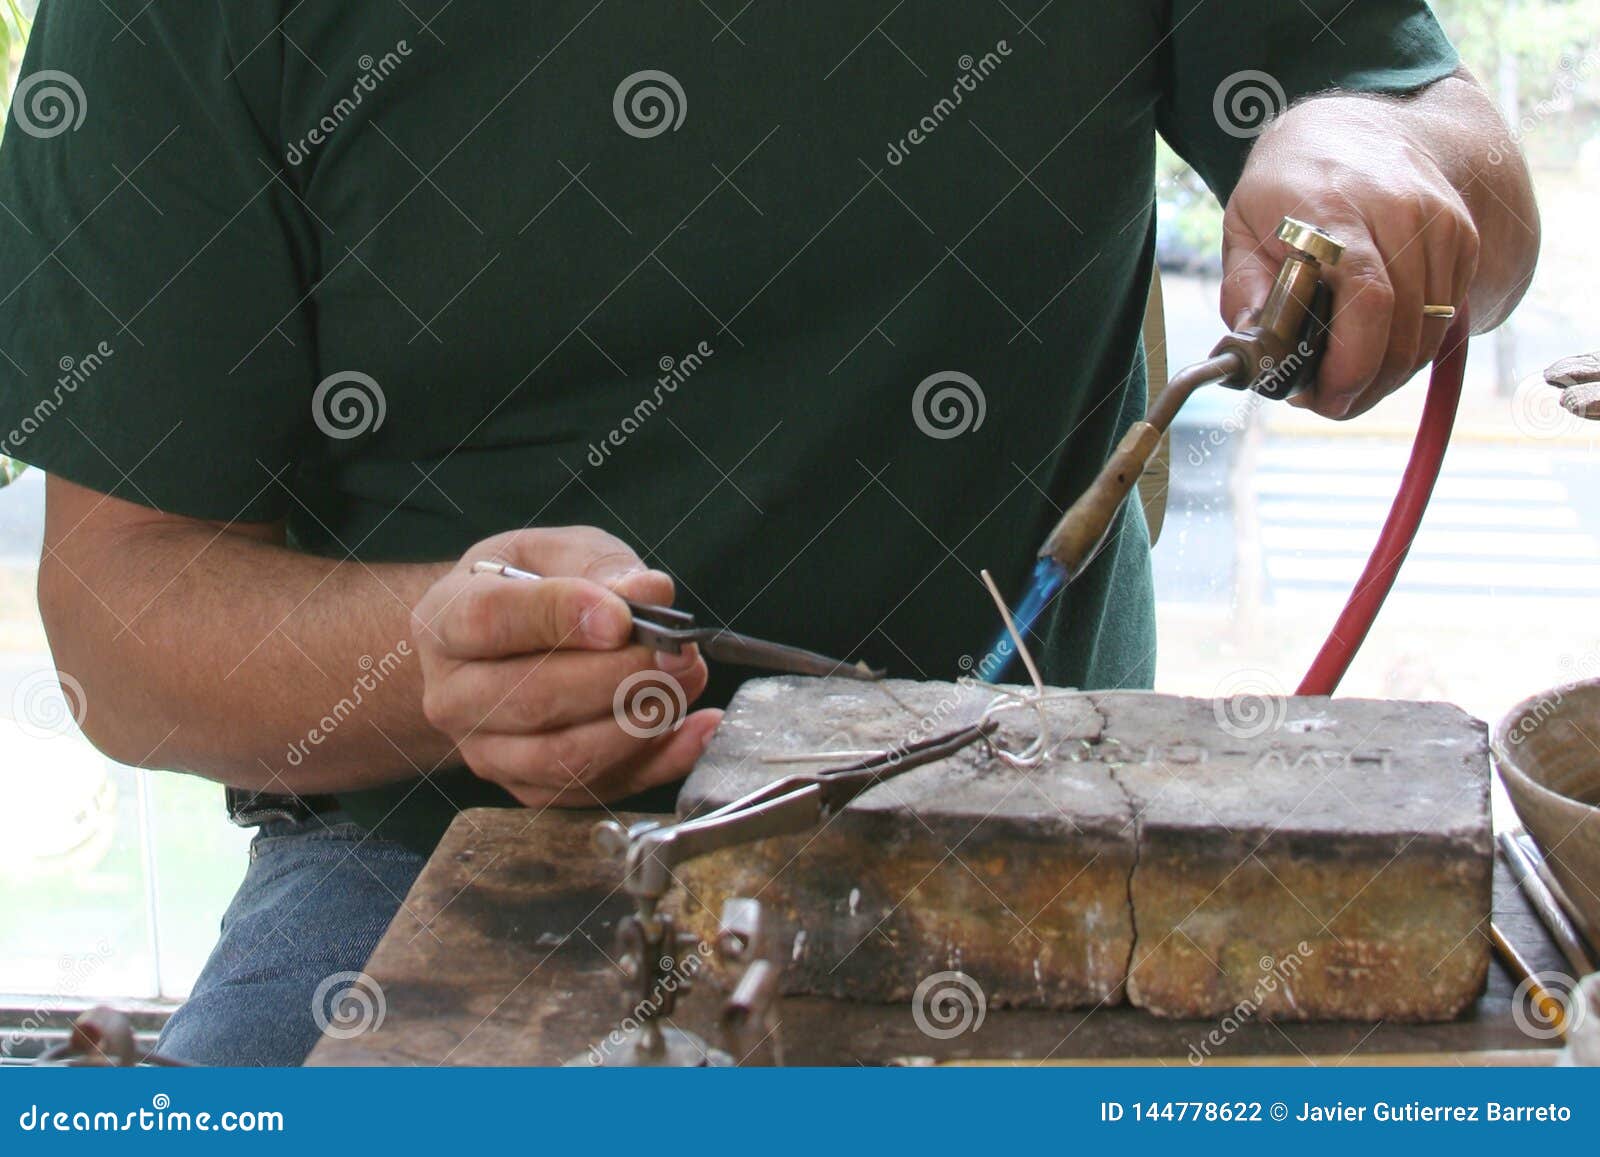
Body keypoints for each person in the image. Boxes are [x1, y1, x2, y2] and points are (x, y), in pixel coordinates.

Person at [0, 1, 1537, 1065]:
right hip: (438, 857)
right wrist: (431, 657)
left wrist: (1390, 167)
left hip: (1044, 827)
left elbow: (1459, 154)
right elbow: (119, 623)